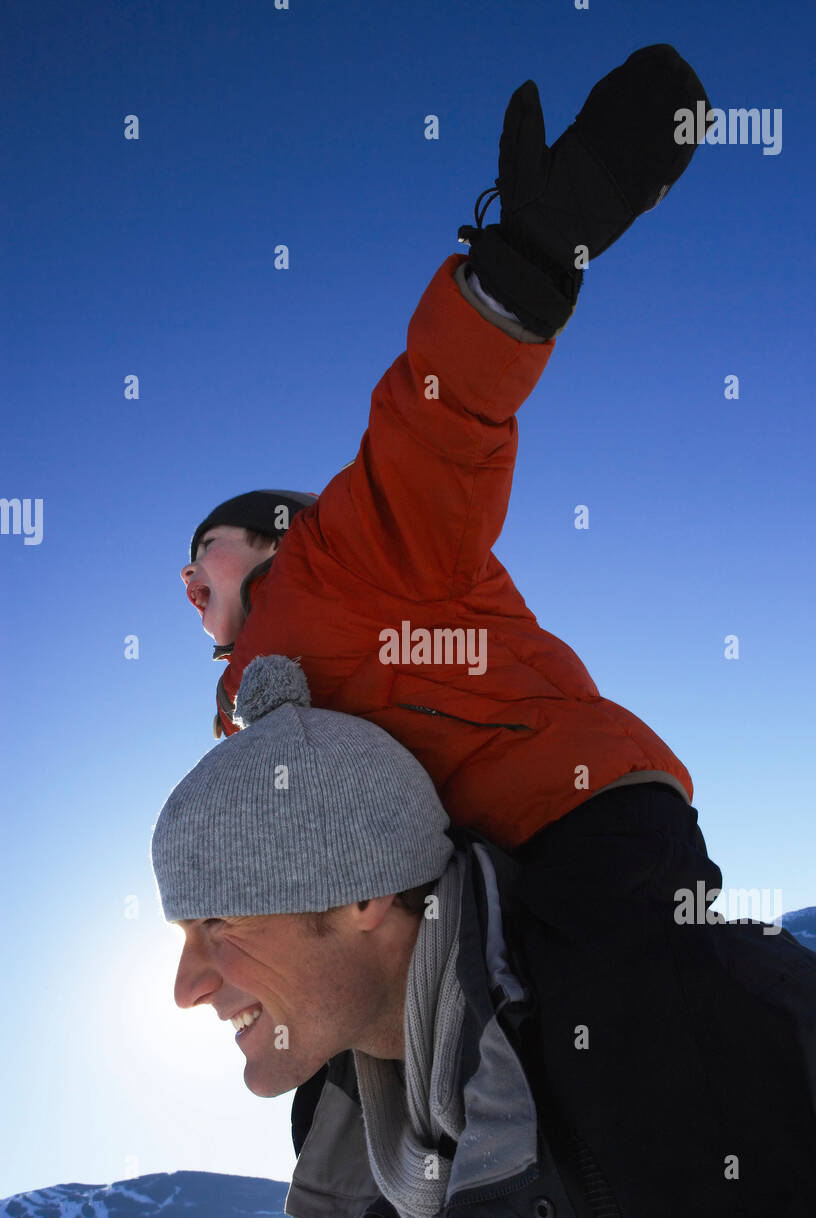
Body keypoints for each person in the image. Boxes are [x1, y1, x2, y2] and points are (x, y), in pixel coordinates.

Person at [176, 45, 715, 907]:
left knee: (627, 991)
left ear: (278, 533)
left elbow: (440, 425)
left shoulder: (348, 554)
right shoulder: (248, 701)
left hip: (576, 819)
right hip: (460, 888)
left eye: (207, 546)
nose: (187, 578)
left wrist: (521, 269)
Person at [151, 654, 816, 1218]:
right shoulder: (341, 1147)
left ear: (361, 895)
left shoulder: (699, 1006)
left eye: (219, 922)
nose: (186, 990)